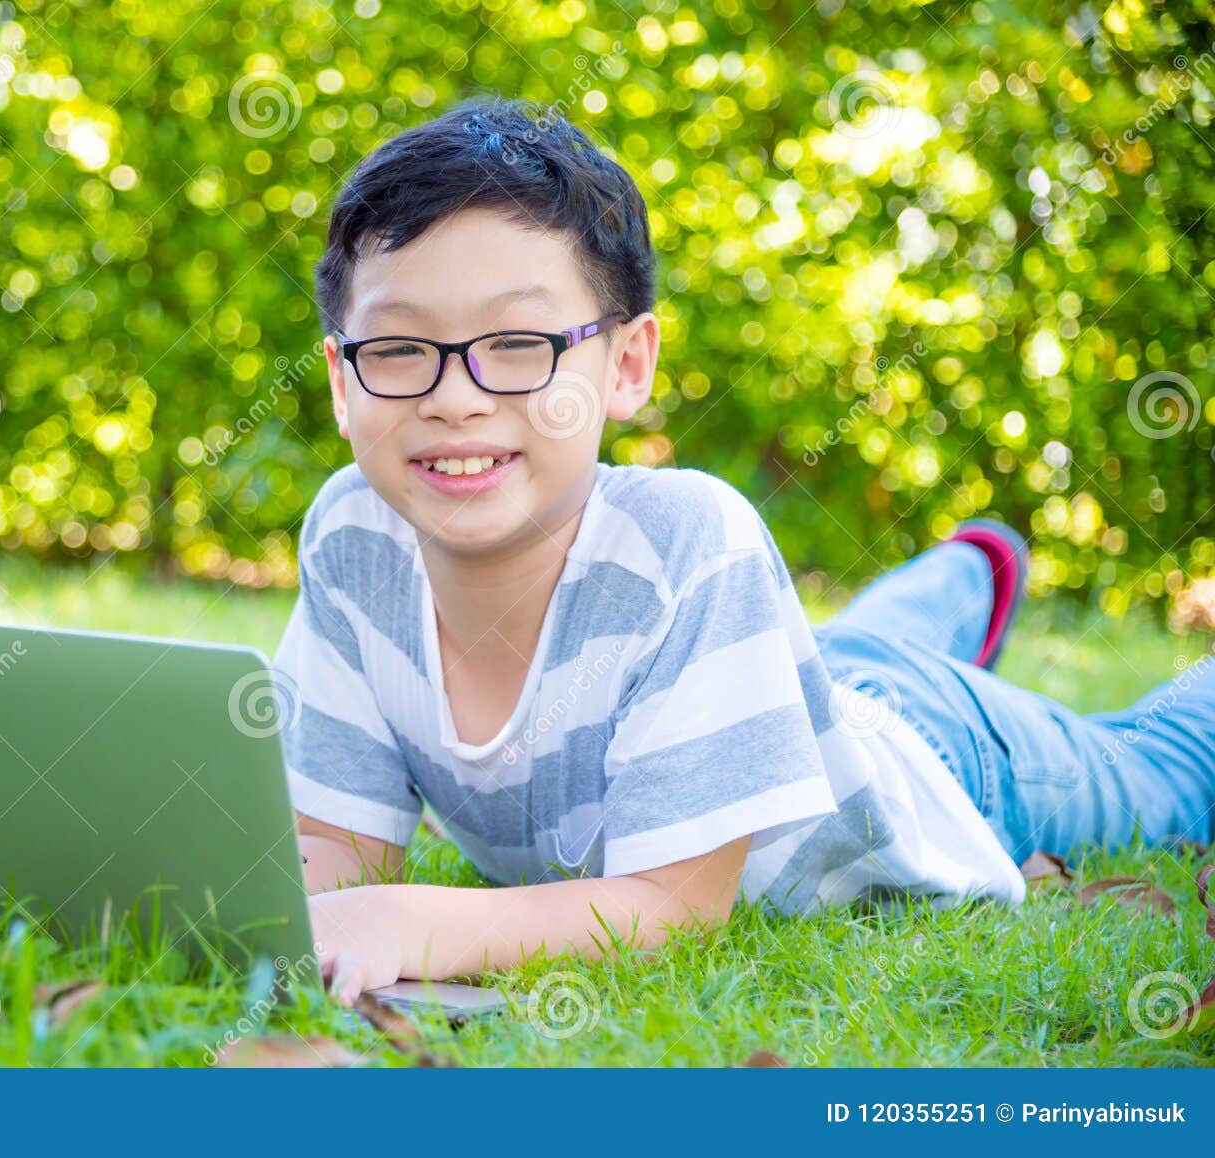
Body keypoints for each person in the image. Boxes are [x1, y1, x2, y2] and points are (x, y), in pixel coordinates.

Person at [271, 96, 1215, 1004]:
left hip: (936, 752)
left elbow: (670, 909)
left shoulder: (693, 541)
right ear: (342, 381)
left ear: (627, 365)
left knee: (1162, 770)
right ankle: (963, 576)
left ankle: (967, 580)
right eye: (397, 348)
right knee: (847, 654)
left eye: (517, 343)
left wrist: (409, 923)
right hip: (780, 683)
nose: (457, 396)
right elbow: (338, 857)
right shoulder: (355, 533)